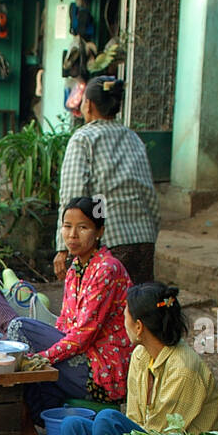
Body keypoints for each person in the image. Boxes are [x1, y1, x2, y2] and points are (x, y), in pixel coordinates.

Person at [59, 283, 218, 435]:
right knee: (71, 427)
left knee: (107, 419)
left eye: (125, 317)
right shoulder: (140, 355)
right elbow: (134, 419)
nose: (122, 323)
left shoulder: (183, 370)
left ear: (138, 327)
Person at [9, 196, 132, 421]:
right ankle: (34, 419)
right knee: (23, 346)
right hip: (81, 359)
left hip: (100, 371)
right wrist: (40, 359)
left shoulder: (107, 269)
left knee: (20, 328)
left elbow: (84, 335)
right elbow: (64, 322)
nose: (72, 234)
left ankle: (28, 419)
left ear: (100, 231)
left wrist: (42, 358)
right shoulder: (76, 266)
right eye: (67, 226)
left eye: (83, 227)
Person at [55, 76, 158, 286]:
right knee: (137, 311)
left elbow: (74, 196)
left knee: (100, 311)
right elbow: (149, 194)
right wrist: (149, 233)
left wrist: (64, 245)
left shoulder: (84, 138)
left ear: (89, 104)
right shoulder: (132, 137)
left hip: (108, 242)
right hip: (143, 239)